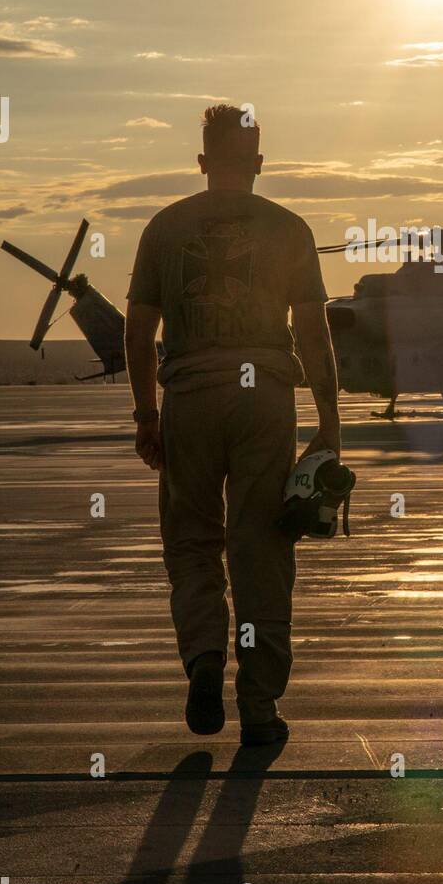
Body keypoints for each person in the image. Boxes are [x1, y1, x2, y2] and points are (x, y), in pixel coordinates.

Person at [124, 105, 341, 746]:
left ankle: (204, 659)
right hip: (263, 399)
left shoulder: (165, 228)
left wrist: (146, 414)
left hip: (190, 396)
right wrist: (330, 422)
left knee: (192, 544)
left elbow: (139, 333)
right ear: (257, 164)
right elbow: (313, 333)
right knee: (262, 549)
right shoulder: (289, 229)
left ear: (201, 162)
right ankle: (261, 706)